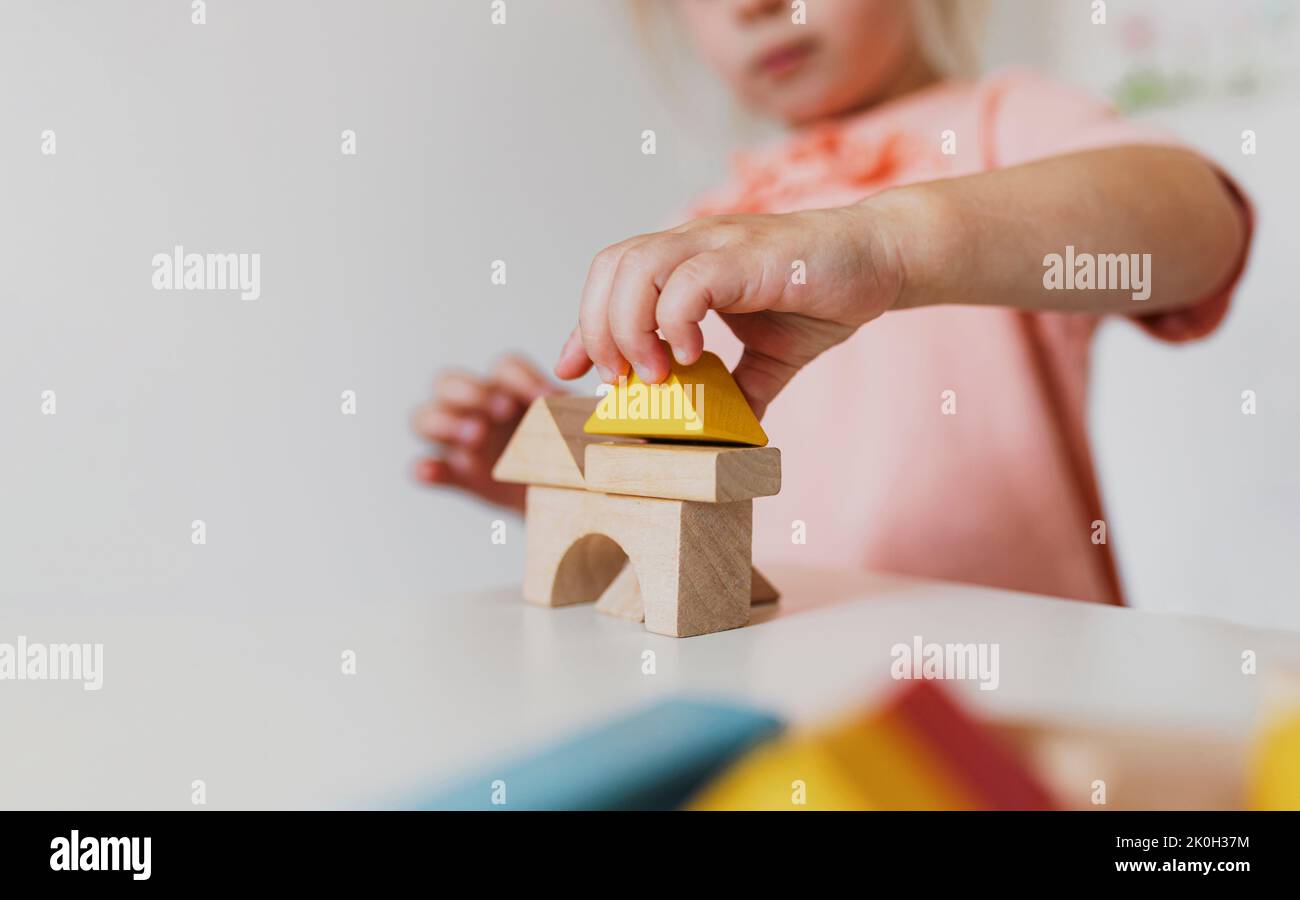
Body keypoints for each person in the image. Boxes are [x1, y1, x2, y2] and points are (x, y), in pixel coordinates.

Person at [413, 0, 1252, 605]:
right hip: (773, 708)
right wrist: (572, 493)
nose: (755, 7)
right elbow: (685, 557)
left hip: (1012, 703)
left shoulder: (1003, 126)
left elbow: (1197, 231)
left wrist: (890, 243)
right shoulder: (700, 237)